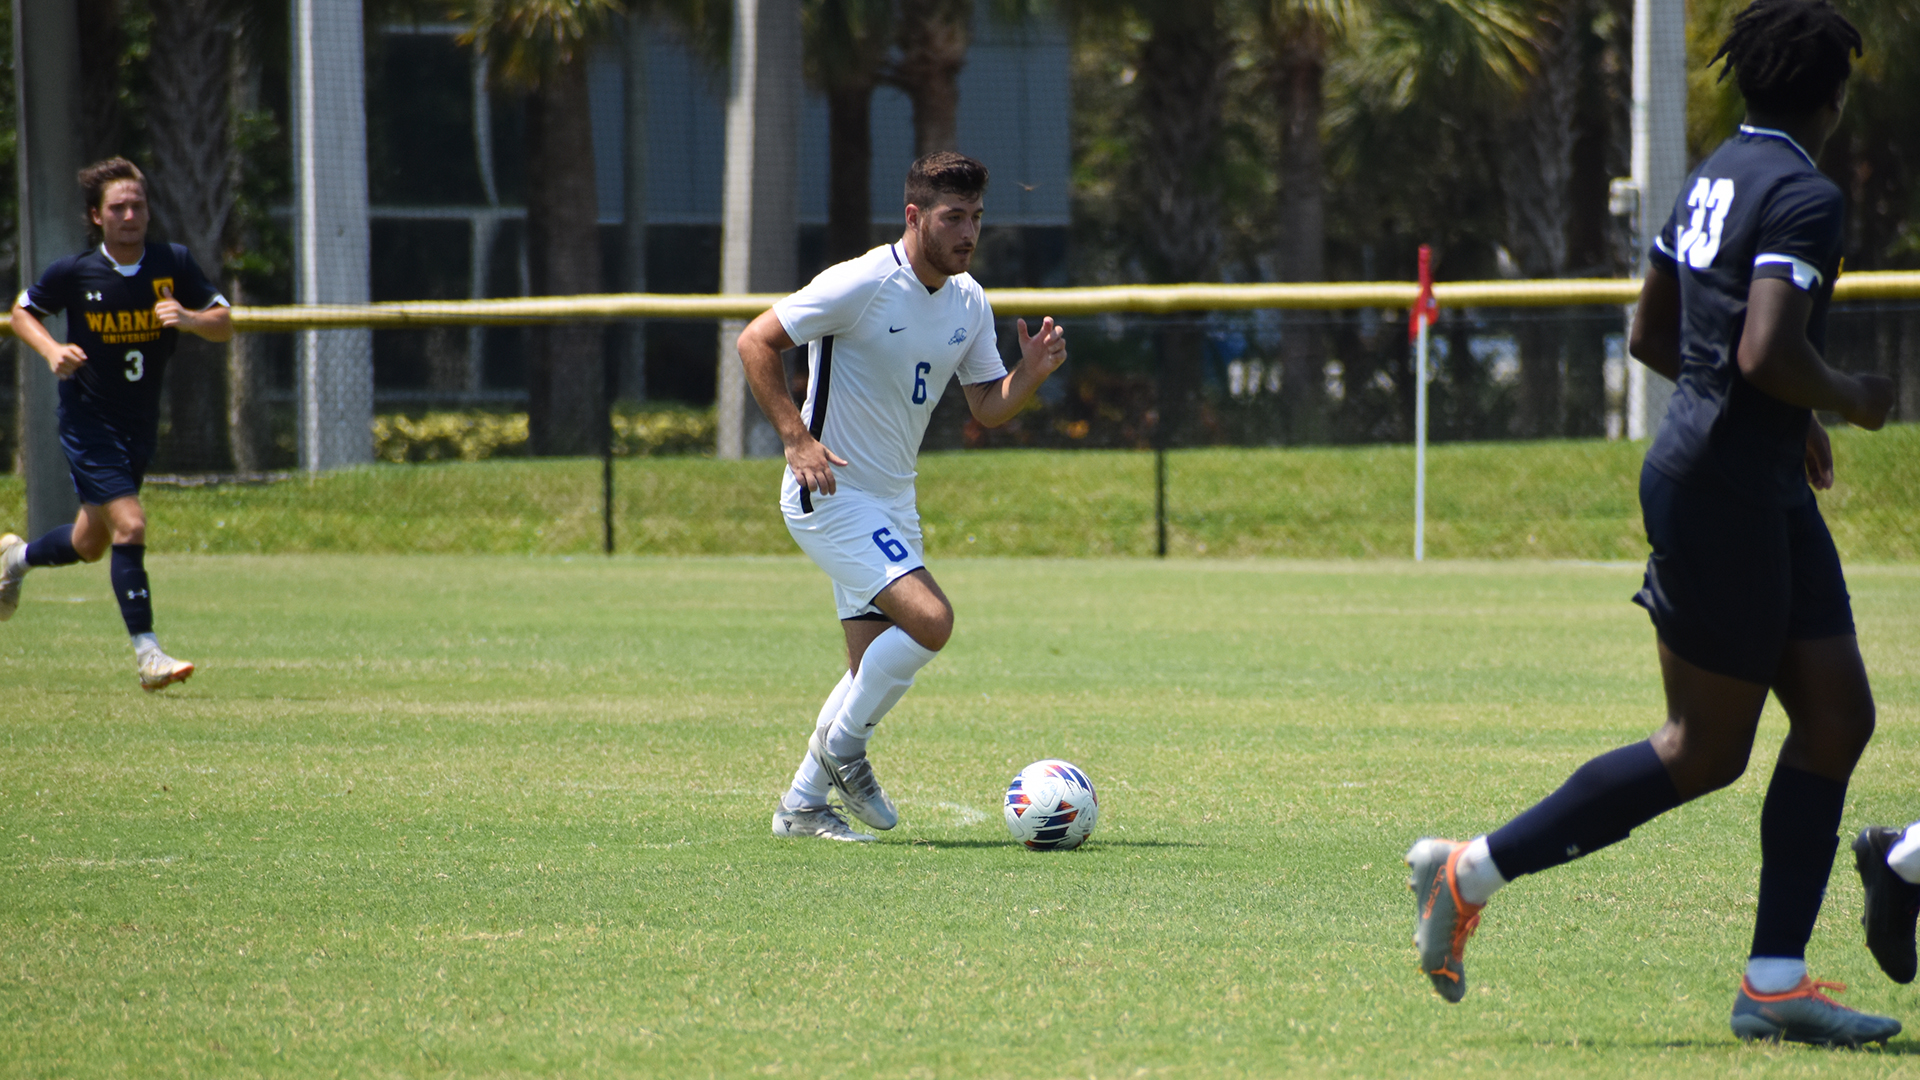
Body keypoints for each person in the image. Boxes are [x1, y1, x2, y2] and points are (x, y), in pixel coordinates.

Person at [1405, 0, 1899, 1045]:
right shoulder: (1805, 192)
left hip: (1744, 471)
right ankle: (1469, 869)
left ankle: (1774, 983)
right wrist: (1848, 394)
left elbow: (1651, 333)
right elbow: (1765, 352)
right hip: (1723, 484)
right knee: (1704, 749)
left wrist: (1783, 409)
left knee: (1839, 715)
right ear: (1832, 98)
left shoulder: (1718, 170)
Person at [737, 151, 1067, 842]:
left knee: (867, 669)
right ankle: (845, 751)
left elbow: (985, 406)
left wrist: (1029, 373)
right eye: (953, 218)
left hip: (893, 502)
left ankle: (801, 807)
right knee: (932, 622)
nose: (967, 232)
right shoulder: (863, 281)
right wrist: (796, 439)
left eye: (976, 217)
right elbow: (755, 341)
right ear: (915, 216)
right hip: (828, 492)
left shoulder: (970, 299)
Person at [0, 157, 232, 690]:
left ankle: (16, 558)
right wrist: (52, 350)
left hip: (138, 425)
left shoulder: (172, 265)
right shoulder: (76, 272)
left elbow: (225, 324)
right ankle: (148, 654)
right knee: (131, 525)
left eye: (138, 205)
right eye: (118, 207)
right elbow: (22, 311)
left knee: (90, 543)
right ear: (96, 217)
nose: (130, 215)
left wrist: (191, 319)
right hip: (88, 421)